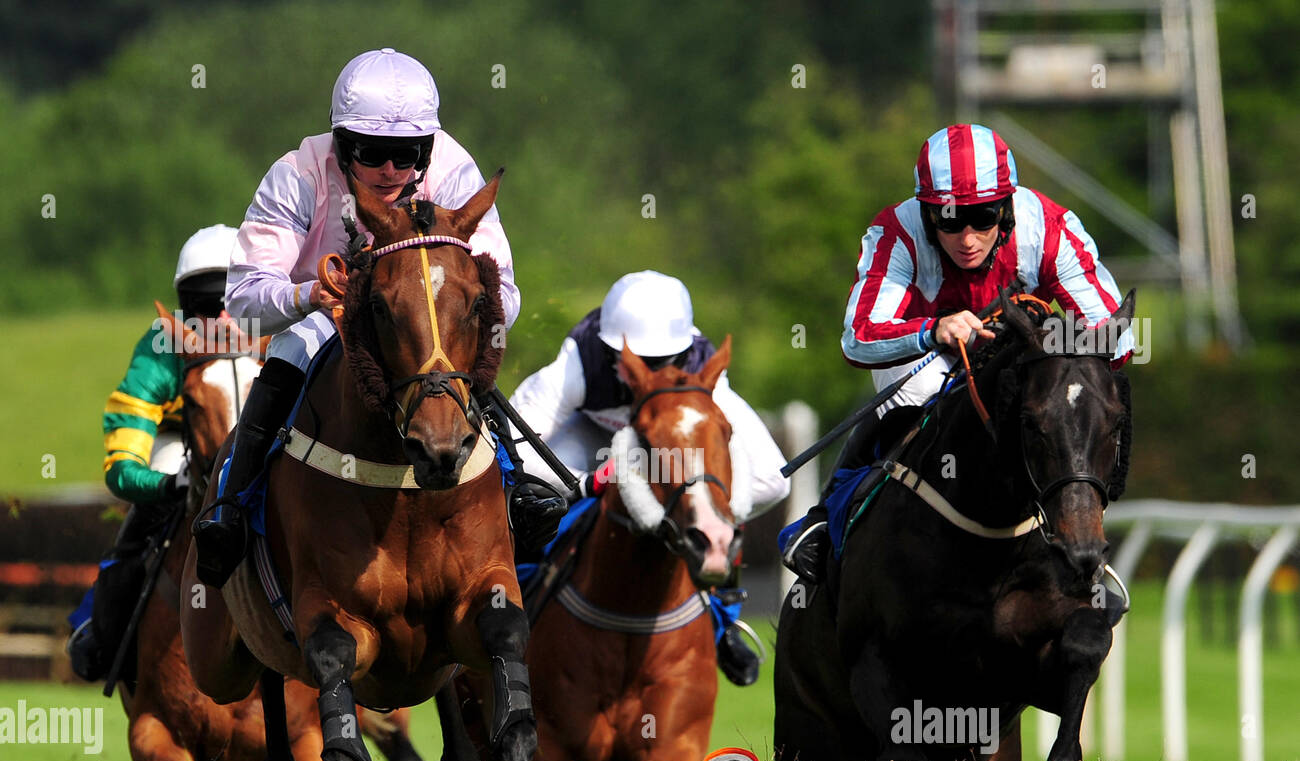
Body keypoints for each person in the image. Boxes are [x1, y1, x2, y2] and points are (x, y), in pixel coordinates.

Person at [192, 47, 558, 587]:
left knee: (454, 354)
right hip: (325, 320)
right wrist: (308, 295)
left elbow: (505, 285)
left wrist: (458, 310)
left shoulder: (455, 169)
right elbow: (244, 294)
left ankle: (518, 485)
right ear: (341, 145)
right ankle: (230, 504)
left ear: (427, 150)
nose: (389, 169)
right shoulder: (296, 174)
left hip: (420, 328)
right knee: (293, 348)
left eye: (406, 153)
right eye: (370, 152)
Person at [781, 123, 1134, 583]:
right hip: (927, 356)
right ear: (928, 215)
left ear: (1006, 209)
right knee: (924, 389)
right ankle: (826, 517)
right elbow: (859, 337)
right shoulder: (897, 232)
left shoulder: (1048, 228)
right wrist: (934, 330)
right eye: (948, 220)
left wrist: (1048, 346)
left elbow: (1118, 340)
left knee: (1076, 395)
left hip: (1017, 356)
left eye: (983, 217)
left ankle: (1080, 530)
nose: (967, 237)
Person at [507, 270, 791, 685]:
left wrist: (701, 505)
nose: (645, 370)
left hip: (665, 448)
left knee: (768, 481)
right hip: (591, 443)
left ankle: (723, 619)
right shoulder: (578, 361)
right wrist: (584, 483)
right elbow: (512, 445)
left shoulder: (701, 364)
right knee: (533, 490)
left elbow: (770, 478)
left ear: (683, 352)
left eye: (659, 362)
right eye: (632, 360)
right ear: (608, 350)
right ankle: (514, 600)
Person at [68, 225, 238, 680]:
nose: (219, 319)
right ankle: (99, 630)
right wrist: (168, 485)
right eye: (203, 307)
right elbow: (123, 465)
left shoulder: (280, 331)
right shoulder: (161, 350)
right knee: (140, 521)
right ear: (183, 311)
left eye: (233, 301)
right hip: (181, 447)